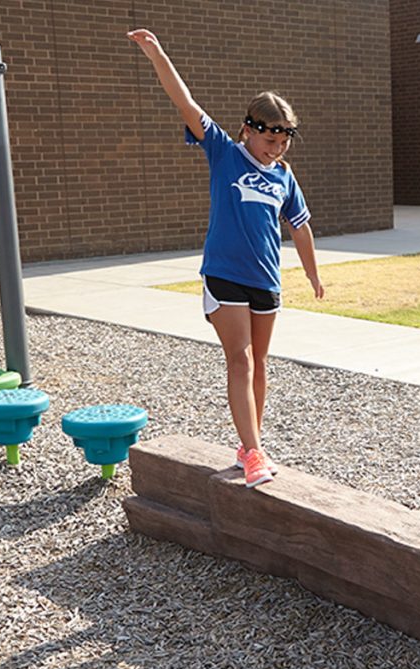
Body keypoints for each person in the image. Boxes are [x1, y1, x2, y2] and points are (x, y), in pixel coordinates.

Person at [127, 28, 324, 488]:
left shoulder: (284, 177)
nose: (276, 149)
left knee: (260, 365)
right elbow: (185, 102)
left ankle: (249, 444)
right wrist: (157, 55)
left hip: (266, 280)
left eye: (283, 142)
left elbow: (300, 227)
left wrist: (313, 275)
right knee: (240, 360)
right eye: (269, 140)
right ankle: (253, 454)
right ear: (249, 130)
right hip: (224, 275)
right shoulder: (223, 152)